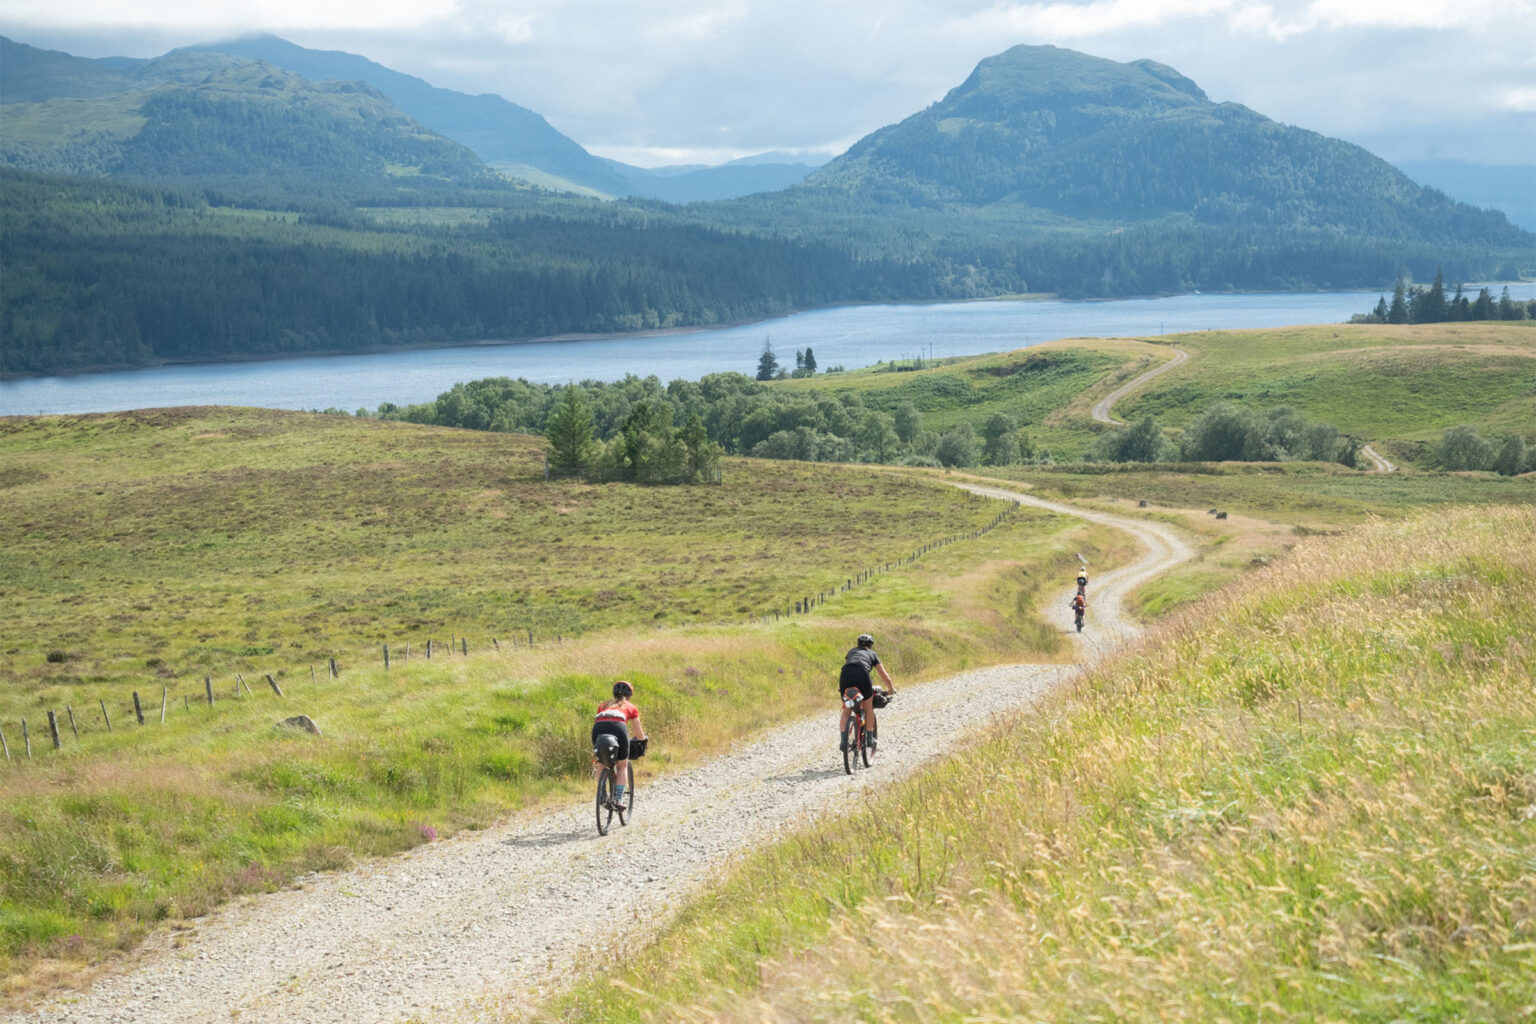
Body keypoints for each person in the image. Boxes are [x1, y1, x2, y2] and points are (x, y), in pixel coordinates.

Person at [592, 680, 646, 809]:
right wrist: (643, 740)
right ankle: (618, 799)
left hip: (598, 729)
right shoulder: (631, 707)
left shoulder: (603, 705)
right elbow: (639, 734)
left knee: (602, 763)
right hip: (618, 727)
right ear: (629, 696)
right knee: (622, 765)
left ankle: (602, 794)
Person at [839, 633, 895, 749]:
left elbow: (846, 665)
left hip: (845, 674)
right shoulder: (872, 654)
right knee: (868, 708)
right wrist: (891, 689)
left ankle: (843, 742)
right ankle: (869, 738)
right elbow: (884, 675)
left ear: (858, 644)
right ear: (870, 645)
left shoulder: (851, 652)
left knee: (846, 711)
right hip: (862, 675)